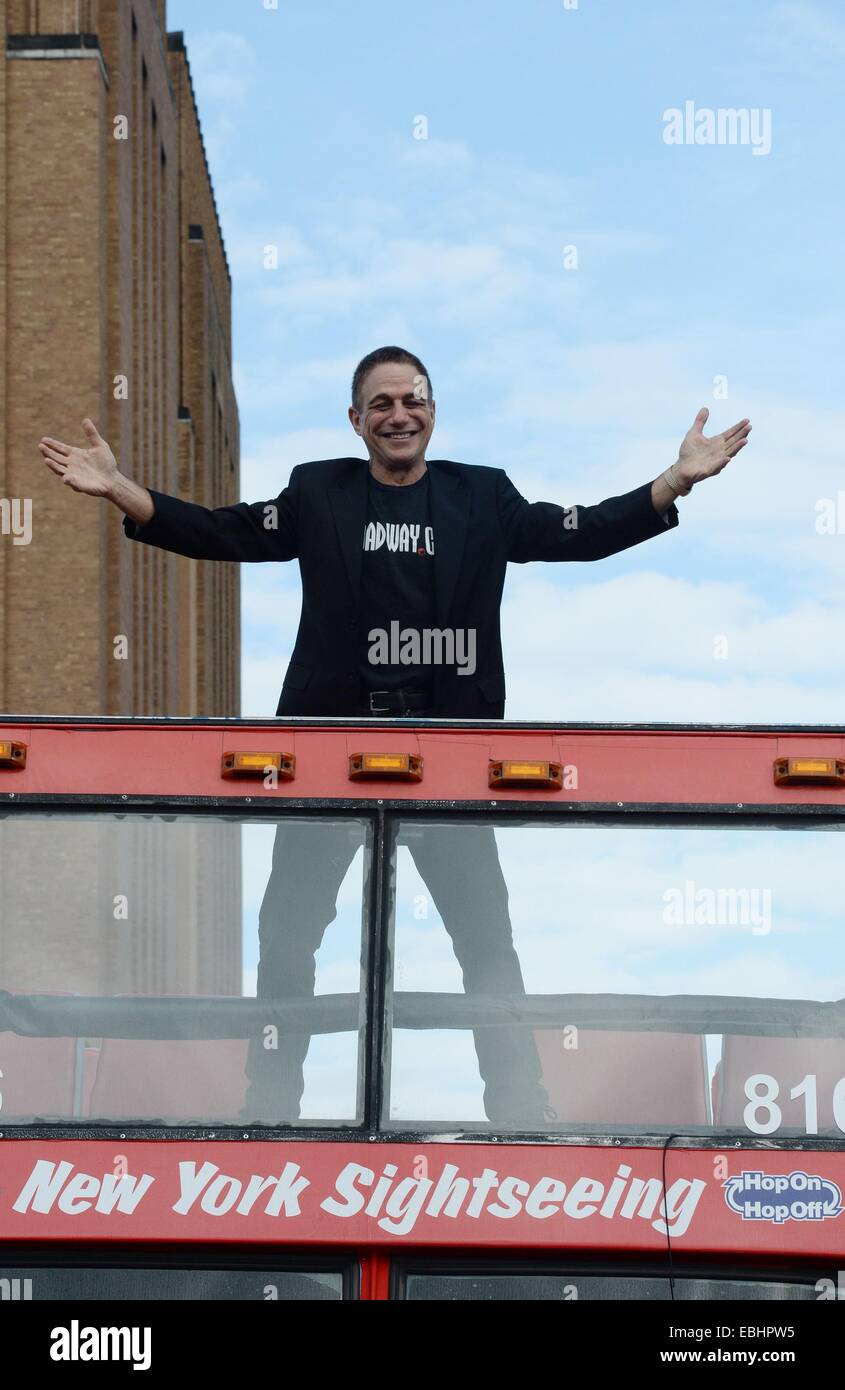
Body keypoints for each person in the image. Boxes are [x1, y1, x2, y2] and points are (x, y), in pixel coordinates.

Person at [38, 347, 751, 1127]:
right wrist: (121, 489)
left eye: (411, 399)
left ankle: (519, 1111)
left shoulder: (480, 497)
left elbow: (575, 532)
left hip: (444, 756)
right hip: (326, 753)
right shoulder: (318, 492)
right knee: (286, 936)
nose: (397, 414)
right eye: (379, 404)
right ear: (357, 422)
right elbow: (221, 532)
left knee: (486, 944)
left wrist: (673, 481)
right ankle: (270, 1108)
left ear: (432, 413)